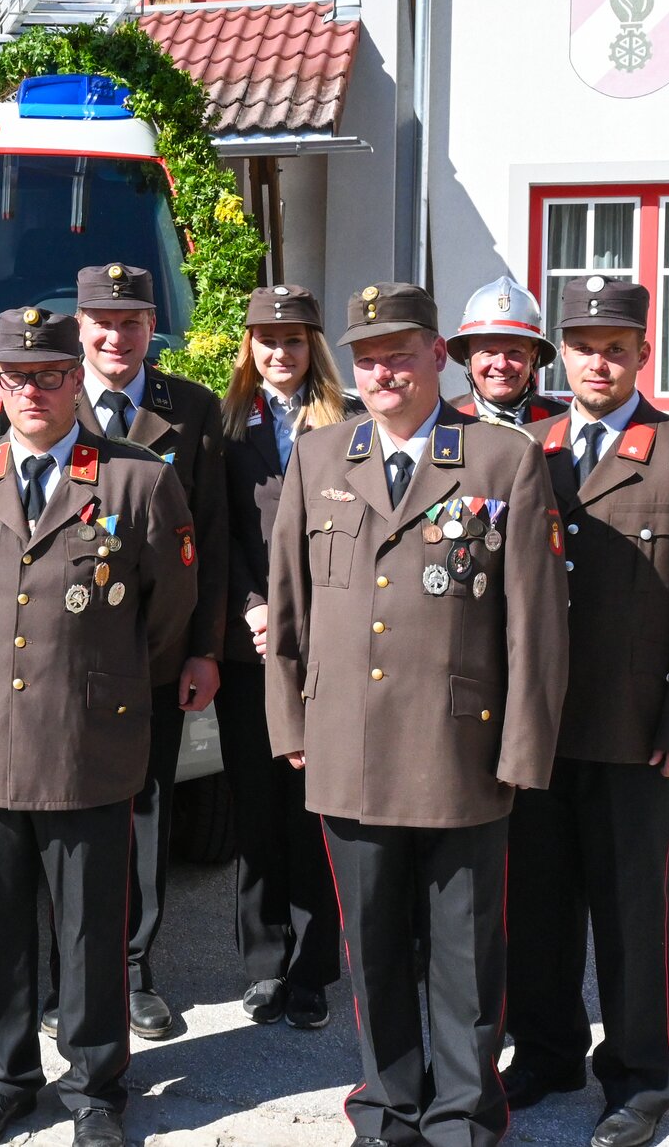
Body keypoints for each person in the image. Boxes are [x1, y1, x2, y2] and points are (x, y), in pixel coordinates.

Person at [265, 281, 569, 1147]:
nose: (384, 369)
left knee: (468, 953)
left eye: (401, 351)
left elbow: (535, 623)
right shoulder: (320, 457)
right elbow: (287, 607)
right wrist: (290, 726)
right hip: (348, 746)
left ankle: (465, 1115)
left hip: (458, 751)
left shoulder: (500, 459)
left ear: (440, 355)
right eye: (368, 356)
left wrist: (524, 747)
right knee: (373, 948)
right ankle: (389, 1105)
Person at [0, 306, 198, 1147]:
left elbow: (166, 616)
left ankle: (94, 1086)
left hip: (88, 735)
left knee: (89, 926)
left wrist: (93, 676)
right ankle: (4, 1076)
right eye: (18, 375)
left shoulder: (138, 479)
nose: (35, 389)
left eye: (51, 374)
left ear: (75, 378)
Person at [501, 276, 669, 1147]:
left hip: (636, 736)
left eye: (614, 346)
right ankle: (547, 1049)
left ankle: (643, 1073)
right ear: (559, 354)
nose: (597, 361)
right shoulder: (529, 449)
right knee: (535, 903)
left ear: (644, 352)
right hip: (538, 731)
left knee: (632, 910)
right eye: (581, 344)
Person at [46, 262, 226, 1041]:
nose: (115, 336)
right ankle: (62, 973)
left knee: (145, 809)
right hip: (59, 653)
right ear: (80, 328)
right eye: (101, 322)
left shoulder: (191, 410)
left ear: (153, 327)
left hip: (150, 652)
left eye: (131, 322)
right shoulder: (47, 396)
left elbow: (212, 543)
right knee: (57, 812)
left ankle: (132, 971)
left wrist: (203, 651)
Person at [216, 285, 351, 1031]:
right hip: (254, 645)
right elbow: (220, 528)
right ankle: (264, 964)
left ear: (313, 346)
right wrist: (249, 605)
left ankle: (313, 970)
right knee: (257, 808)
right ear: (249, 346)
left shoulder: (348, 421)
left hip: (329, 645)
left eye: (294, 338)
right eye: (266, 338)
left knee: (315, 810)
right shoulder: (228, 425)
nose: (279, 352)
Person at [446, 276, 568, 427]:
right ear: (468, 357)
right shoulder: (444, 421)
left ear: (533, 357)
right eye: (488, 352)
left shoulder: (562, 421)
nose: (501, 365)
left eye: (514, 352)